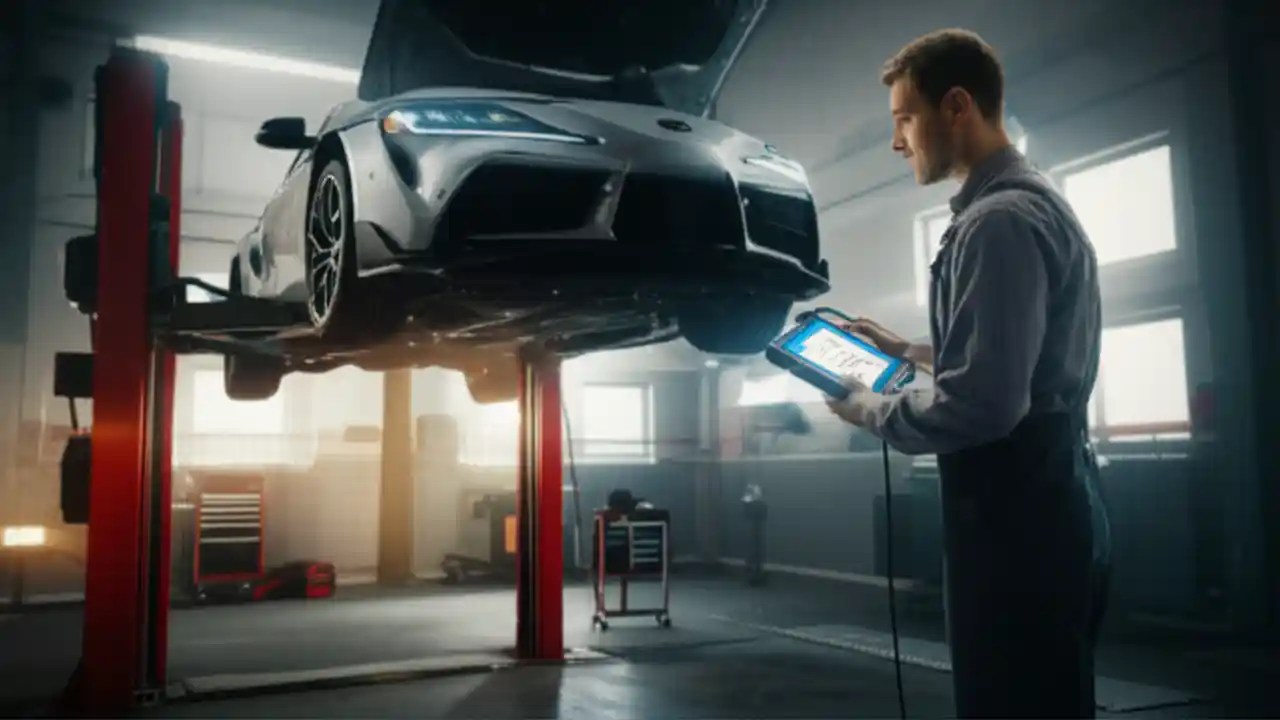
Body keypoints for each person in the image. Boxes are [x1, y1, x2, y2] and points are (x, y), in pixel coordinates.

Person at [824, 29, 1112, 718]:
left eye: (904, 119)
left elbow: (985, 404)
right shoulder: (1035, 202)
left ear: (956, 106)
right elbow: (1026, 349)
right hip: (1051, 497)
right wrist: (913, 350)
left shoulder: (997, 224)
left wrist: (869, 409)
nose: (897, 142)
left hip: (1014, 519)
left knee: (1008, 702)